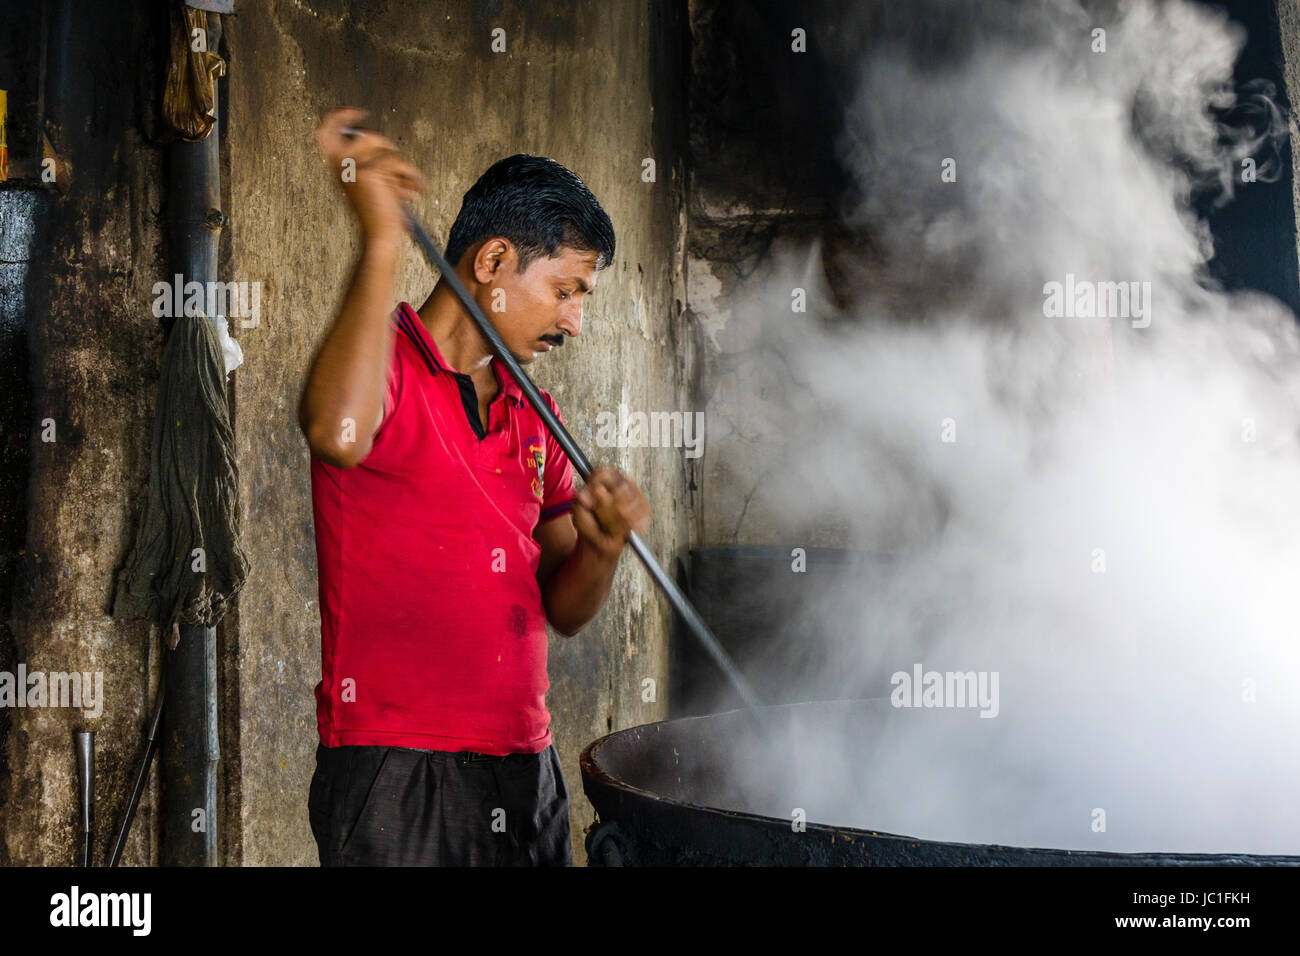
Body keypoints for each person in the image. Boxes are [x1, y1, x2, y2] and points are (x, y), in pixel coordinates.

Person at [299, 108, 651, 866]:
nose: (575, 321)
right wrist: (383, 239)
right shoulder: (385, 366)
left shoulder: (538, 415)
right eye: (566, 289)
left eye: (581, 297)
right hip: (393, 764)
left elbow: (565, 608)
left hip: (525, 764)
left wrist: (604, 548)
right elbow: (337, 433)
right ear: (492, 262)